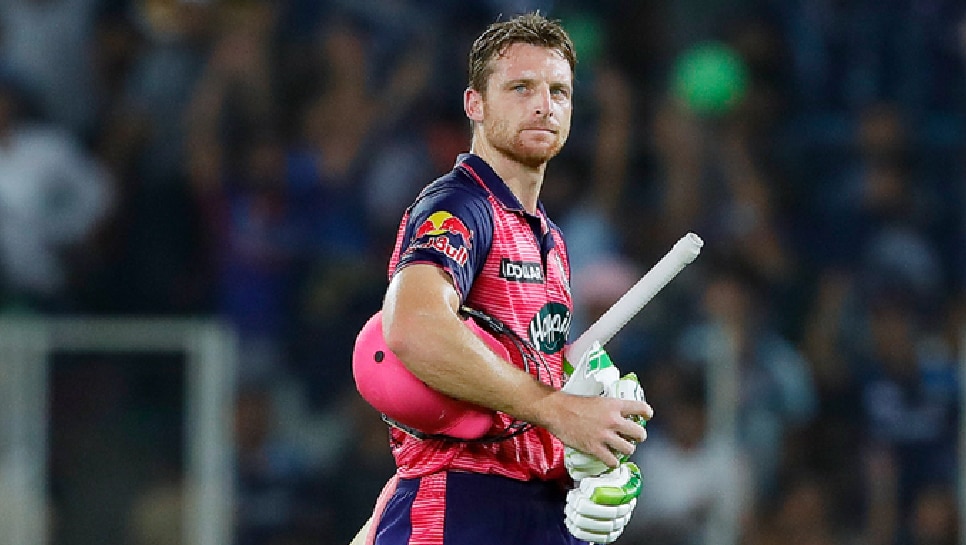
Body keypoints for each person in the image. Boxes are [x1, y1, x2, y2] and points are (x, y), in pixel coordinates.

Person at [351, 12, 653, 545]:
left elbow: (539, 382)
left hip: (537, 509)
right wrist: (558, 409)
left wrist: (595, 457)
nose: (544, 105)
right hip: (464, 503)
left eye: (559, 92)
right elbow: (413, 326)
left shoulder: (551, 238)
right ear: (475, 104)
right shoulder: (460, 206)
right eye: (520, 88)